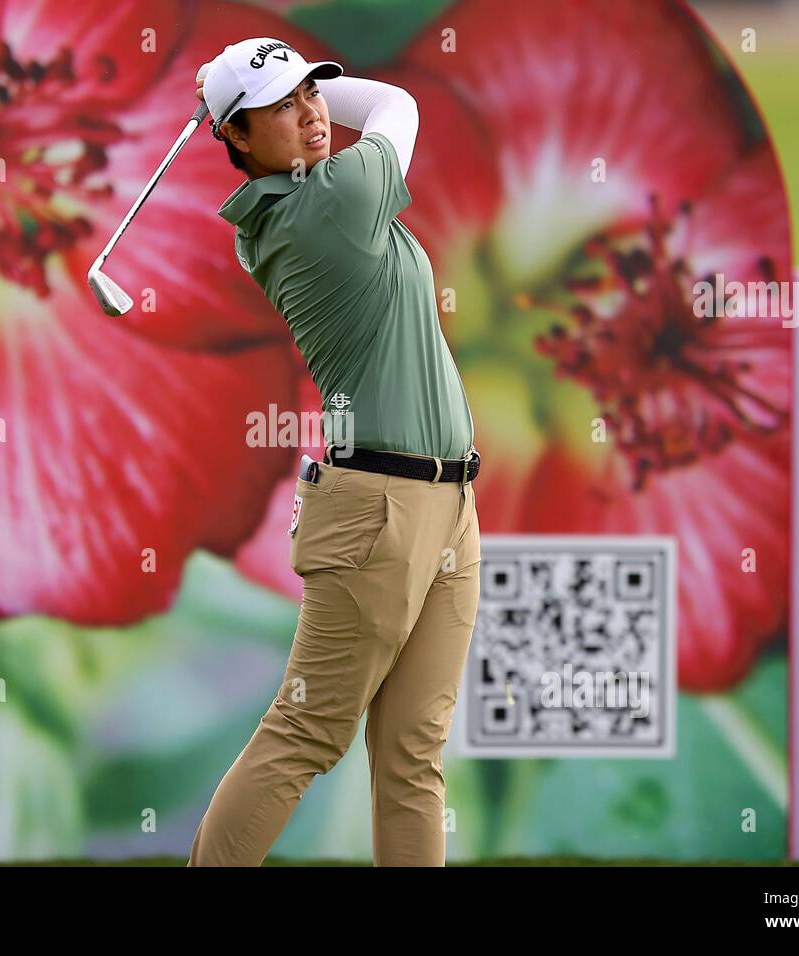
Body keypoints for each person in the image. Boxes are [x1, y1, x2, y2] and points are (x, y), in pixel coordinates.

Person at [186, 37, 481, 867]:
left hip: (449, 507)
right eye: (282, 105)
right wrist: (333, 86)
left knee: (411, 762)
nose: (312, 111)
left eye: (312, 92)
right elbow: (399, 108)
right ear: (238, 138)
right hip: (378, 513)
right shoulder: (330, 206)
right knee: (307, 733)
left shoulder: (313, 198)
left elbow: (357, 117)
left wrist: (252, 89)